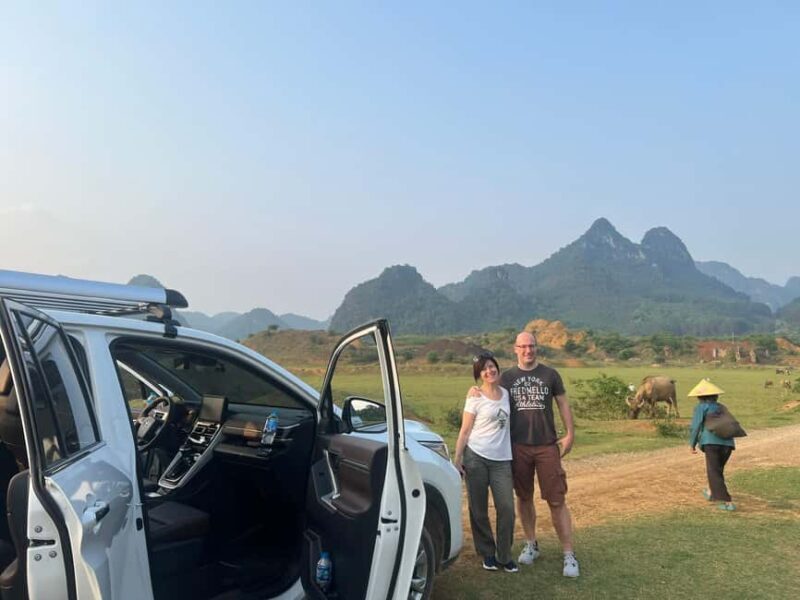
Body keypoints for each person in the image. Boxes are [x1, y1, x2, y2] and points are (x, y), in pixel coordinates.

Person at [468, 331, 579, 577]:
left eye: (531, 346)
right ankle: (531, 544)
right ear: (515, 349)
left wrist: (570, 433)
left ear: (536, 348)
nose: (528, 350)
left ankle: (569, 553)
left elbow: (562, 403)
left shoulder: (550, 374)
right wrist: (473, 390)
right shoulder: (506, 377)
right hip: (517, 446)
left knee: (556, 499)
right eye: (523, 346)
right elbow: (487, 390)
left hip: (547, 445)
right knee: (524, 496)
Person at [453, 352, 517, 573]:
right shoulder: (475, 397)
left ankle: (504, 555)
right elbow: (465, 430)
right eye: (483, 369)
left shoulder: (506, 394)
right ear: (479, 375)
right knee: (478, 508)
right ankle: (487, 552)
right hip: (476, 457)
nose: (489, 371)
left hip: (502, 460)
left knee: (507, 508)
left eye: (491, 366)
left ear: (497, 368)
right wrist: (457, 459)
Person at [688, 379, 736, 511]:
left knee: (714, 471)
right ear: (716, 396)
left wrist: (692, 444)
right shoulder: (722, 407)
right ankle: (710, 492)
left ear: (700, 397)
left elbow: (696, 426)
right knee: (717, 470)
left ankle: (726, 501)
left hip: (711, 443)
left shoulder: (701, 407)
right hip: (728, 444)